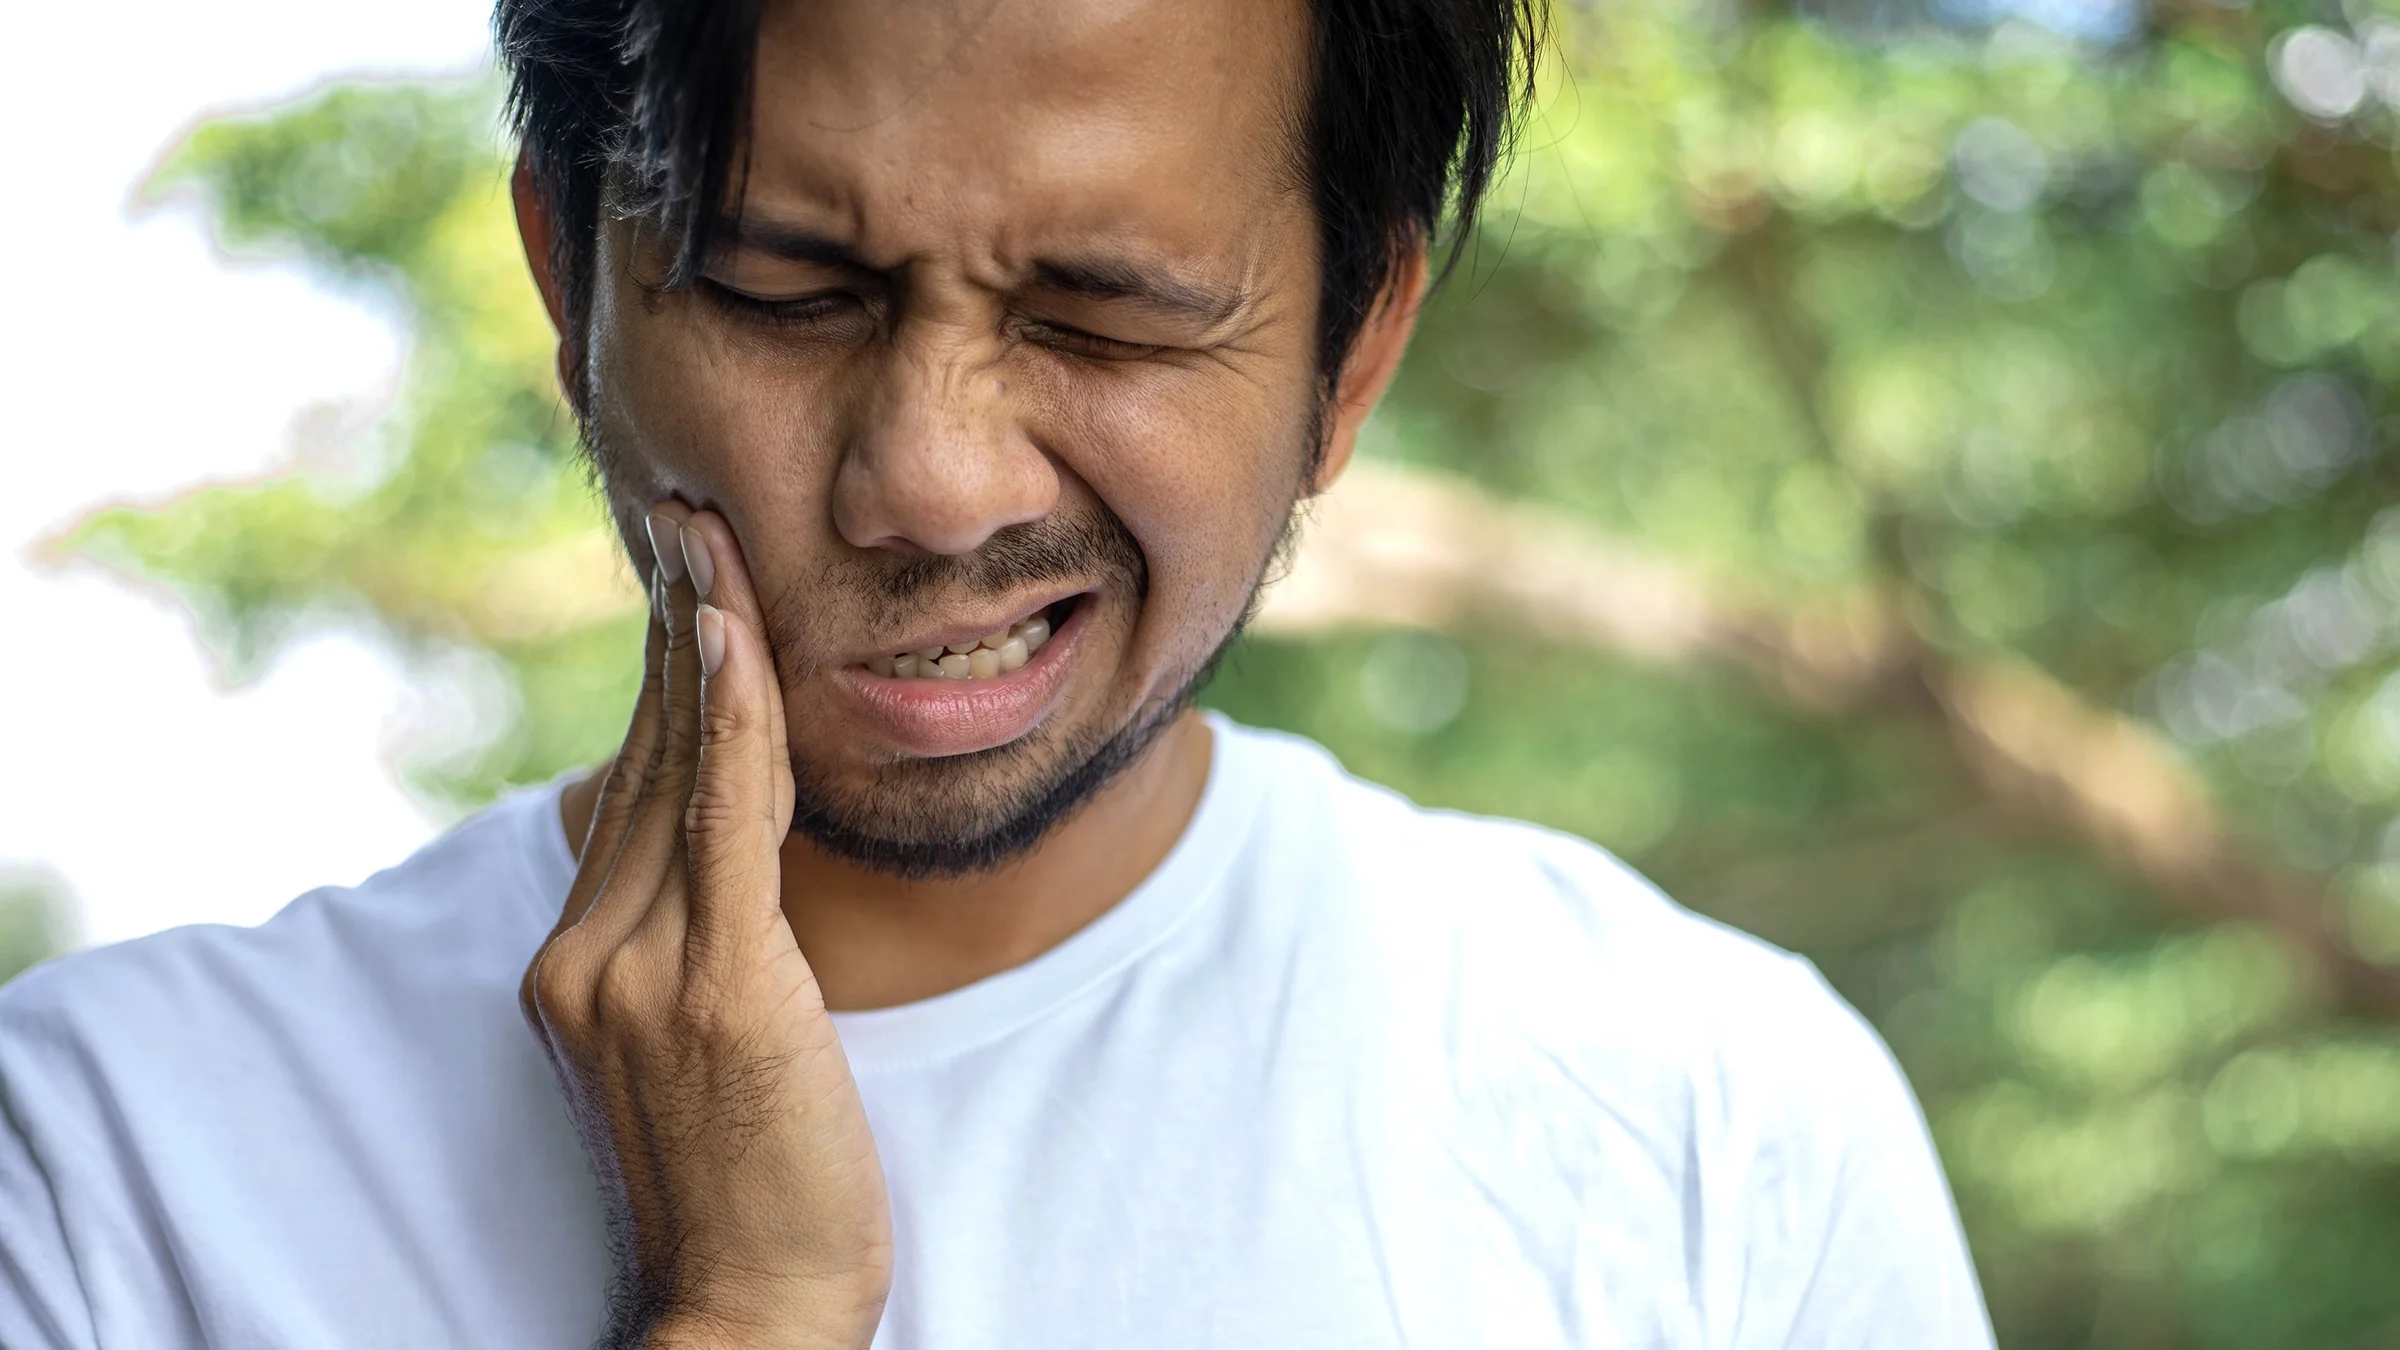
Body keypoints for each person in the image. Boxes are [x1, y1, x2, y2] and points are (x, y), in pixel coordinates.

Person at [0, 0, 1995, 1345]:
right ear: (568, 280)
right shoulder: (113, 1168)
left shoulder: (1708, 1122)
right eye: (787, 291)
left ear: (1355, 354)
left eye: (1108, 317)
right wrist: (745, 1313)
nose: (934, 484)